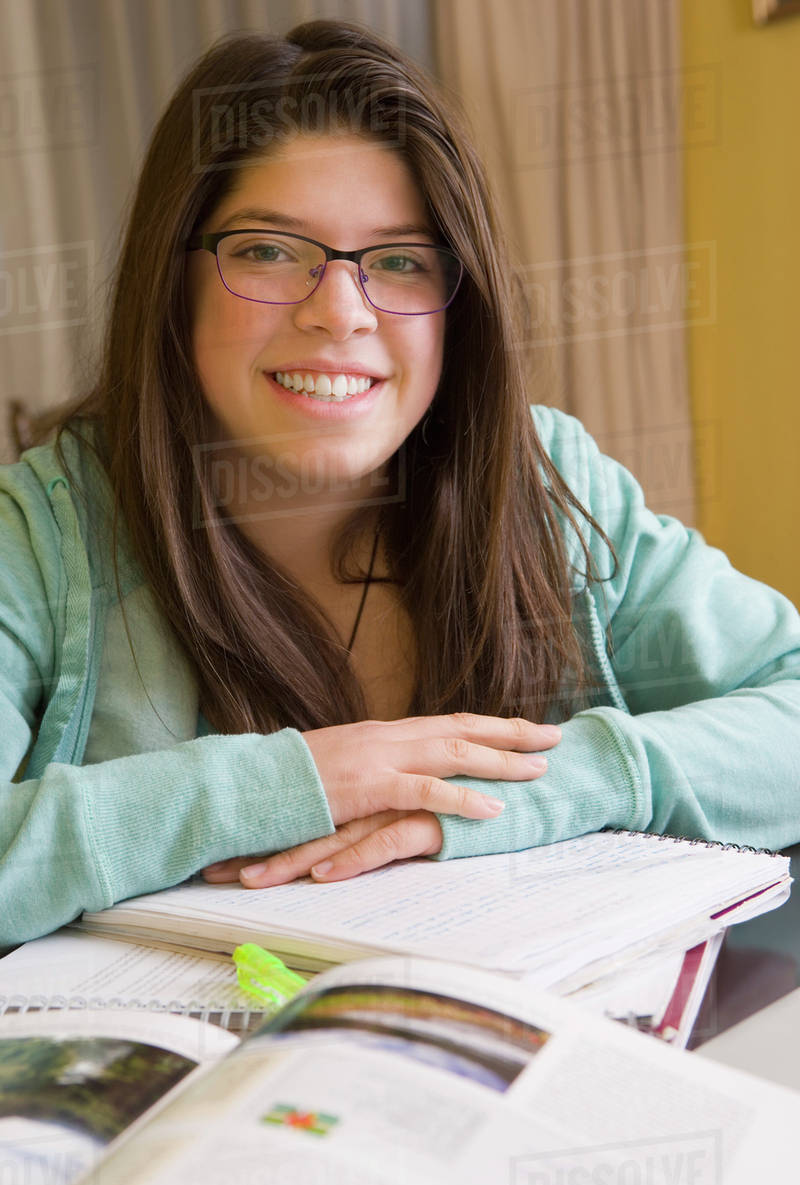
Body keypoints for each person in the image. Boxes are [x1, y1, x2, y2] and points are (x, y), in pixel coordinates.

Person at [1, 20, 799, 949]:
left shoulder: (543, 485)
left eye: (400, 261)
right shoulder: (39, 534)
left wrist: (556, 782)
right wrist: (303, 780)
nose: (340, 312)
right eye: (267, 250)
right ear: (171, 280)